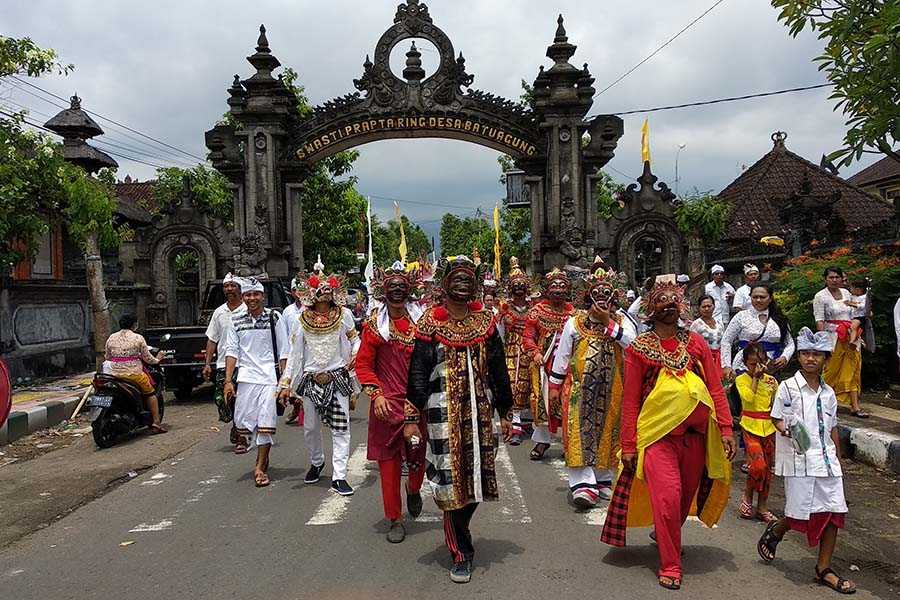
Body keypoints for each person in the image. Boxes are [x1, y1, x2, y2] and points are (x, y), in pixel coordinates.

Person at [601, 275, 735, 591]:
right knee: (668, 498)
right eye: (661, 301)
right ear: (650, 309)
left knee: (682, 499)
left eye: (673, 301)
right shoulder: (639, 348)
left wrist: (727, 428)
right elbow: (631, 400)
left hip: (696, 437)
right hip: (658, 440)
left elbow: (715, 387)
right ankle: (671, 564)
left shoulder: (696, 342)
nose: (668, 306)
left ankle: (666, 536)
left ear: (681, 307)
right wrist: (629, 445)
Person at [406, 256, 513, 584]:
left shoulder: (485, 322)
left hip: (480, 411)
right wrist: (412, 416)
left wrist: (506, 412)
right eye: (457, 278)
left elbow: (497, 369)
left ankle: (461, 527)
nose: (463, 284)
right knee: (452, 480)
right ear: (445, 284)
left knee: (477, 477)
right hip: (442, 413)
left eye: (469, 279)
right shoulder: (429, 322)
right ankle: (461, 551)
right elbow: (419, 372)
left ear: (476, 286)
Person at [757, 328, 855, 594]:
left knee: (834, 511)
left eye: (816, 355)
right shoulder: (787, 388)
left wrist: (838, 457)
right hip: (798, 459)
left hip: (827, 460)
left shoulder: (829, 393)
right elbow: (776, 418)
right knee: (800, 512)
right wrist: (787, 430)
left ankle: (823, 569)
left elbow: (832, 426)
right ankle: (777, 529)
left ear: (825, 359)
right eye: (806, 354)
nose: (811, 359)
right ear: (799, 357)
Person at [548, 268, 636, 507]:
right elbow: (562, 356)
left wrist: (608, 322)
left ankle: (603, 479)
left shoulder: (623, 321)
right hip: (578, 389)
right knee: (579, 431)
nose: (601, 296)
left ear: (613, 296)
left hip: (613, 389)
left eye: (606, 292)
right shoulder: (574, 322)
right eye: (596, 292)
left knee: (608, 430)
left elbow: (634, 346)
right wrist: (554, 387)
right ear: (588, 295)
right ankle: (583, 484)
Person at [355, 261, 426, 543]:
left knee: (418, 458)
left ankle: (414, 489)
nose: (397, 291)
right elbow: (364, 365)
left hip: (416, 403)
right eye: (391, 287)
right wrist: (377, 394)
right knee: (389, 465)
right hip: (386, 405)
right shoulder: (374, 326)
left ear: (409, 290)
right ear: (383, 292)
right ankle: (394, 518)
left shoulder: (421, 323)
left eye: (402, 286)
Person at [279, 268, 360, 496]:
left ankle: (340, 476)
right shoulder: (301, 319)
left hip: (337, 377)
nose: (324, 294)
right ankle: (317, 462)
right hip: (310, 378)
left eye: (327, 290)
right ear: (310, 294)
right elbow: (295, 353)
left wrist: (355, 355)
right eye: (319, 290)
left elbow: (355, 340)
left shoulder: (343, 315)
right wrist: (285, 383)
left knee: (340, 427)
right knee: (311, 427)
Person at [223, 278, 289, 487]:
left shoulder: (274, 317)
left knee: (265, 423)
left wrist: (284, 383)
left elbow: (284, 350)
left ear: (263, 296)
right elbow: (231, 351)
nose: (252, 298)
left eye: (256, 294)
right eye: (248, 295)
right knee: (243, 422)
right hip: (246, 378)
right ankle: (262, 454)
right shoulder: (236, 320)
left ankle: (260, 466)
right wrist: (228, 381)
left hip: (269, 378)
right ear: (243, 297)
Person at [523, 268, 575, 461]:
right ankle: (542, 441)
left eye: (562, 286)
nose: (558, 290)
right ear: (547, 289)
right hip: (545, 366)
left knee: (569, 404)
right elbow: (528, 337)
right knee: (544, 405)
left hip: (569, 367)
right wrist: (535, 353)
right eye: (554, 286)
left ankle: (570, 445)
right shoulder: (537, 312)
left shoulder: (574, 314)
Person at [814, 267, 868, 417]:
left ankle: (855, 406)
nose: (834, 280)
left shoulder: (847, 293)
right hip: (832, 337)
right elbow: (819, 320)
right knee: (830, 370)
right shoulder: (820, 296)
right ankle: (825, 403)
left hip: (851, 335)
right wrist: (821, 342)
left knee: (853, 369)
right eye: (831, 277)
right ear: (825, 279)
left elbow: (856, 312)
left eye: (837, 277)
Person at [734, 342, 778, 522]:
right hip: (750, 426)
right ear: (745, 363)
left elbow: (776, 405)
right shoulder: (741, 379)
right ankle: (747, 496)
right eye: (753, 364)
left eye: (760, 363)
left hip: (769, 428)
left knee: (767, 470)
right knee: (757, 466)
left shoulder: (772, 381)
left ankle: (762, 506)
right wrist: (756, 378)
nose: (757, 367)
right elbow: (749, 398)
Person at [104, 314, 167, 434]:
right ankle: (156, 423)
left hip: (113, 374)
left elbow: (107, 356)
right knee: (151, 394)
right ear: (134, 325)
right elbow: (148, 358)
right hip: (133, 374)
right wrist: (158, 359)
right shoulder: (138, 338)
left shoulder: (111, 337)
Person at [203, 273, 246, 446]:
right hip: (223, 364)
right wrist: (207, 363)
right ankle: (236, 422)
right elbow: (212, 339)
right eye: (226, 286)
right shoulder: (219, 312)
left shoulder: (248, 310)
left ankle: (239, 428)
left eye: (232, 285)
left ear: (239, 288)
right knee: (223, 400)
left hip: (244, 363)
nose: (229, 289)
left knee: (240, 399)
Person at [498, 257, 535, 446]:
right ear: (510, 288)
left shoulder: (533, 310)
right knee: (513, 384)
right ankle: (516, 424)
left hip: (529, 352)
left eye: (522, 284)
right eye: (515, 285)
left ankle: (530, 423)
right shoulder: (504, 310)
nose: (519, 288)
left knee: (530, 386)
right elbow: (499, 334)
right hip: (511, 351)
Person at [282, 274, 307, 425]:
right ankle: (297, 408)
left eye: (302, 289)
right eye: (296, 290)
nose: (299, 292)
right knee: (291, 384)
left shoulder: (310, 309)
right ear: (292, 292)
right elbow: (284, 335)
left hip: (307, 352)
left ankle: (307, 412)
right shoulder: (287, 312)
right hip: (292, 352)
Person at [690, 294, 725, 369]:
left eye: (709, 306)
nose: (706, 309)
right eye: (703, 307)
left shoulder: (719, 323)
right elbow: (692, 345)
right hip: (704, 360)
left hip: (719, 359)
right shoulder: (696, 324)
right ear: (699, 308)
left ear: (714, 306)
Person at [845, 279, 869, 349]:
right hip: (853, 316)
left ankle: (852, 341)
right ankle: (856, 340)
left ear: (858, 289)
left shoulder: (864, 297)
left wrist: (851, 304)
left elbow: (862, 306)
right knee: (851, 328)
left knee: (853, 327)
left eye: (851, 288)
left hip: (860, 317)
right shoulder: (853, 296)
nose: (850, 290)